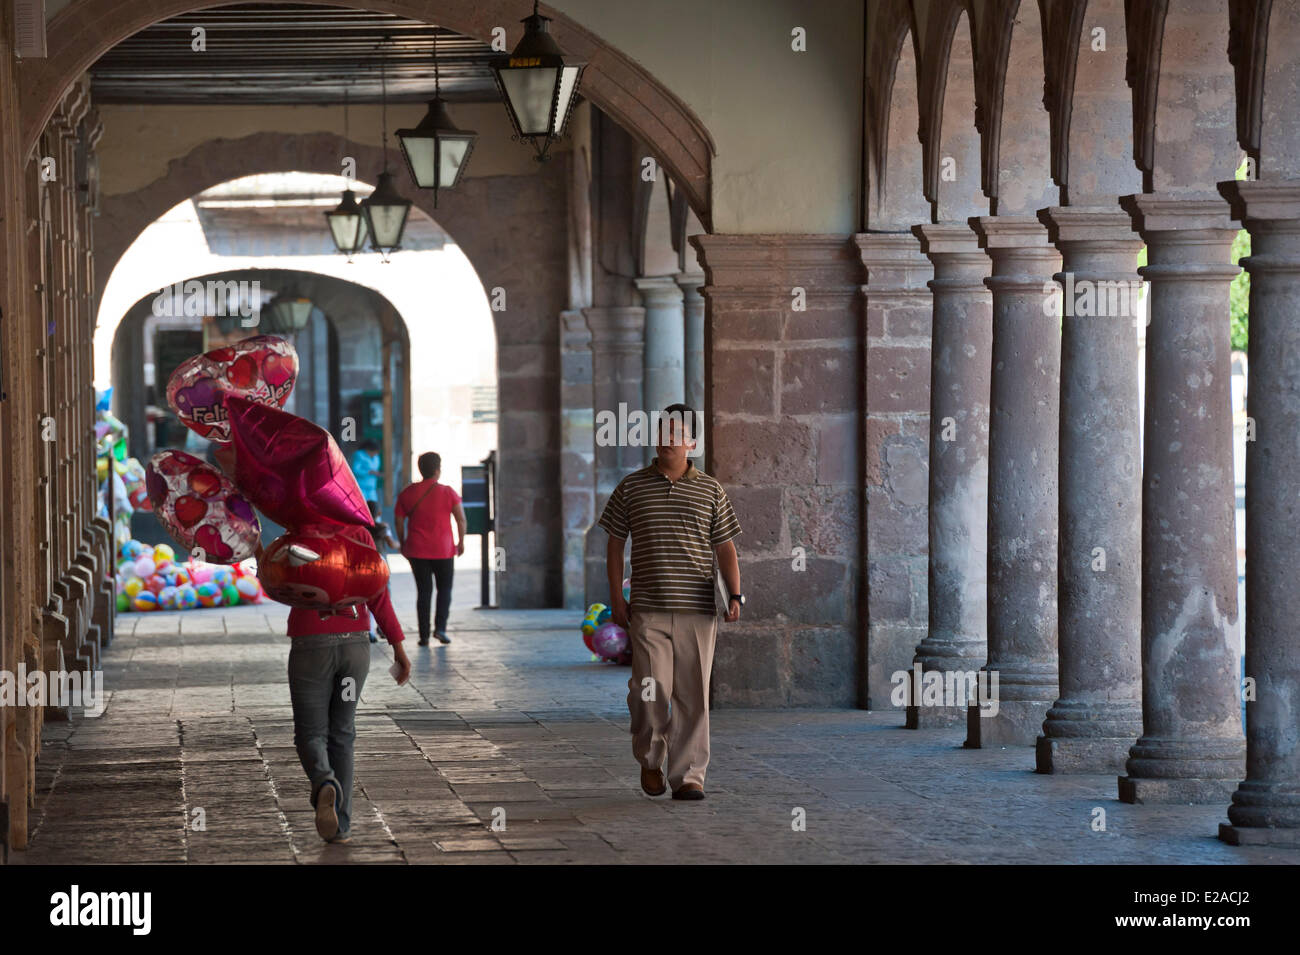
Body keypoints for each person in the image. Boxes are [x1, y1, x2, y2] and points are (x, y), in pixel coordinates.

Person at [598, 403, 742, 802]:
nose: (667, 439)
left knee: (693, 695)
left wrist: (735, 594)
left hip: (698, 610)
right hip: (647, 609)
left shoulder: (711, 489)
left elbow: (725, 547)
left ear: (691, 443)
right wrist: (616, 597)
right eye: (662, 432)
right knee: (649, 691)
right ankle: (650, 758)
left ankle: (690, 776)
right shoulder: (631, 487)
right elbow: (614, 544)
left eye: (676, 433)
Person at [282, 526, 412, 845]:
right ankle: (341, 826)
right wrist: (397, 646)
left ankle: (325, 781)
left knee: (311, 733)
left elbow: (277, 580)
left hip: (312, 647)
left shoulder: (301, 531)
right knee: (342, 732)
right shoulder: (360, 536)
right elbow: (379, 592)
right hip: (354, 652)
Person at [395, 452, 466, 647]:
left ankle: (424, 635)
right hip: (443, 550)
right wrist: (461, 541)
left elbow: (399, 522)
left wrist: (402, 542)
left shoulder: (407, 493)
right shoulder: (448, 492)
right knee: (445, 589)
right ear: (437, 470)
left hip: (417, 550)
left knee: (423, 592)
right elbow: (460, 518)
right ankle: (440, 629)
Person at [362, 501, 401, 644]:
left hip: (364, 564)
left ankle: (369, 630)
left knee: (366, 596)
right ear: (378, 513)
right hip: (381, 565)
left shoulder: (360, 528)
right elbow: (392, 543)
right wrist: (400, 544)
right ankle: (382, 628)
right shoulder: (383, 527)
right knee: (383, 596)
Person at [351, 440, 383, 511]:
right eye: (373, 452)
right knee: (361, 509)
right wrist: (368, 472)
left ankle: (375, 522)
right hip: (361, 487)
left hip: (372, 488)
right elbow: (355, 470)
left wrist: (377, 473)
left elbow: (376, 468)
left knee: (374, 509)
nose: (375, 454)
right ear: (368, 450)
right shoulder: (359, 455)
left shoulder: (376, 457)